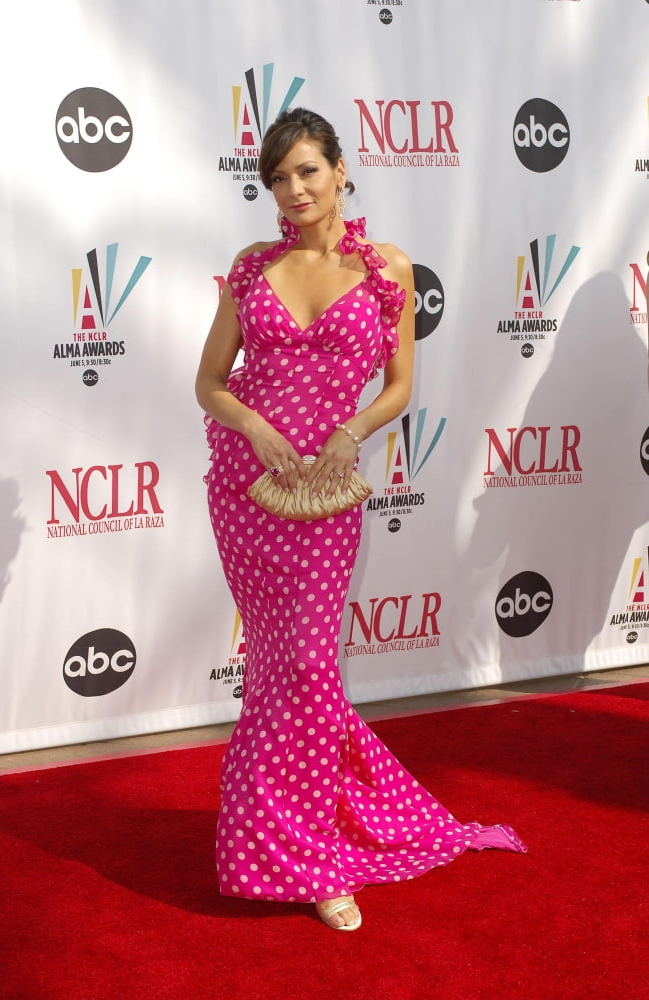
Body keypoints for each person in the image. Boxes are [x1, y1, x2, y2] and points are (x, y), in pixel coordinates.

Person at [195, 108, 526, 931]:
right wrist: (255, 426)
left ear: (341, 170)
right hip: (247, 490)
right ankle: (286, 844)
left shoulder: (388, 269)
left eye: (307, 170)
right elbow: (210, 383)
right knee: (279, 668)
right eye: (278, 177)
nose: (294, 189)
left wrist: (352, 431)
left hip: (327, 495)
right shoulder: (251, 267)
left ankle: (308, 851)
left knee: (309, 667)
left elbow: (400, 386)